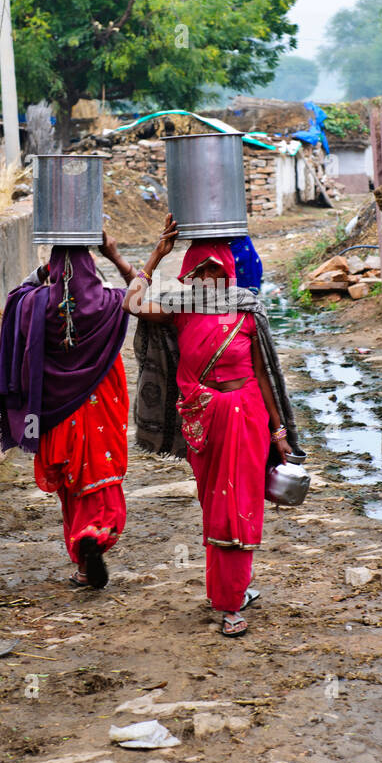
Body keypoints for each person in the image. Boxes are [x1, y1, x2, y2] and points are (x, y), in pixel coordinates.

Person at [127, 215, 302, 637]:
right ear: (188, 274)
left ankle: (229, 603)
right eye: (199, 270)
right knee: (215, 506)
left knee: (236, 507)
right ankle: (230, 587)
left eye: (215, 269)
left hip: (247, 417)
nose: (207, 277)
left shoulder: (246, 311)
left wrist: (279, 433)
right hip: (203, 420)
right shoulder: (179, 312)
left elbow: (265, 377)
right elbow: (130, 304)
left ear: (227, 273)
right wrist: (156, 255)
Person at [0, 231, 138, 589]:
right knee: (99, 478)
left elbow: (14, 297)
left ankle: (84, 561)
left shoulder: (32, 305)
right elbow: (139, 294)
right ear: (91, 269)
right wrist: (116, 256)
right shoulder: (107, 303)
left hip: (57, 414)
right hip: (99, 408)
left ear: (52, 269)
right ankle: (96, 533)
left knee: (72, 485)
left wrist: (44, 273)